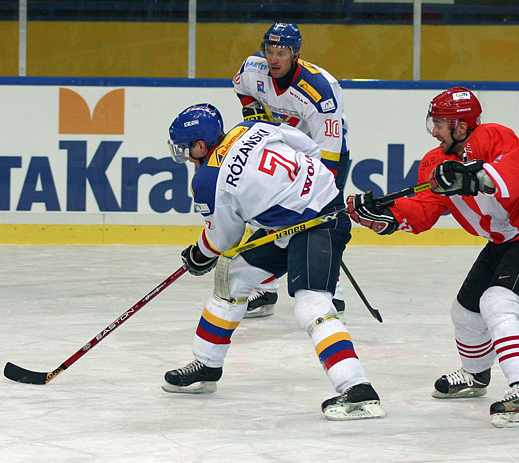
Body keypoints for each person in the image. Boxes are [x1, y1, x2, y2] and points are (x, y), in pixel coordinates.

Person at [346, 87, 519, 428]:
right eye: (432, 123)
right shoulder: (435, 163)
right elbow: (422, 212)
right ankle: (476, 376)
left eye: (440, 124)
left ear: (462, 126)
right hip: (502, 241)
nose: (434, 131)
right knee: (465, 311)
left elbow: (511, 178)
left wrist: (473, 177)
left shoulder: (496, 136)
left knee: (498, 302)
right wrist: (382, 215)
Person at [163, 103, 384, 421]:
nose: (185, 155)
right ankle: (207, 365)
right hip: (296, 220)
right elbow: (308, 147)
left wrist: (199, 254)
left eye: (186, 148)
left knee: (312, 305)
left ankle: (359, 390)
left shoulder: (208, 180)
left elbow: (224, 238)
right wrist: (295, 194)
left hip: (319, 225)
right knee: (233, 276)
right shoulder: (250, 128)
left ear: (200, 144)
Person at [233, 22, 350, 318]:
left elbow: (330, 153)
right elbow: (240, 87)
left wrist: (316, 201)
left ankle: (330, 288)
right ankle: (265, 288)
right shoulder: (253, 69)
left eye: (282, 52)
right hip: (283, 150)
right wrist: (253, 112)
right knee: (268, 211)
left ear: (295, 53)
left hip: (321, 154)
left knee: (322, 222)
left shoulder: (320, 90)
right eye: (269, 51)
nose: (274, 59)